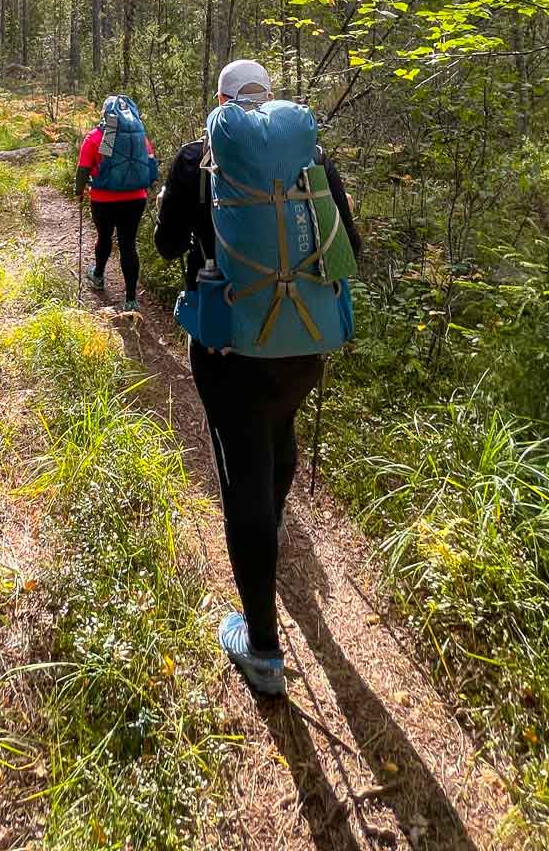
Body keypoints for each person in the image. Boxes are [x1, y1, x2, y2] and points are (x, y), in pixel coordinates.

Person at [154, 58, 360, 697]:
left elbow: (163, 246)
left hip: (228, 349)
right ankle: (266, 533)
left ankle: (262, 649)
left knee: (239, 469)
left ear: (219, 102)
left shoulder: (196, 159)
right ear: (270, 103)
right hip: (305, 344)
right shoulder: (314, 162)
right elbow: (349, 246)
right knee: (279, 438)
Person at [75, 94, 159, 315]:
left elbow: (84, 169)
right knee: (128, 244)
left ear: (105, 113)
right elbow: (151, 166)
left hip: (104, 199)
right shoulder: (139, 137)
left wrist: (78, 191)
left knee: (104, 237)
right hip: (136, 199)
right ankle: (130, 300)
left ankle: (99, 275)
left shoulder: (97, 137)